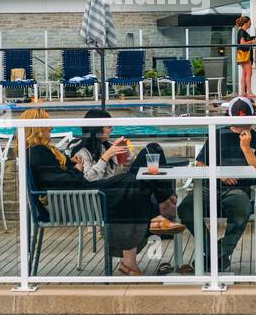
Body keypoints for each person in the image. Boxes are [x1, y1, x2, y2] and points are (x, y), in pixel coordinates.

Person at [21, 109, 176, 276]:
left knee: (145, 161)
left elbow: (62, 176)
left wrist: (118, 158)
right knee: (132, 183)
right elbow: (65, 180)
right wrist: (83, 167)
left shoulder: (44, 151)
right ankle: (160, 211)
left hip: (84, 195)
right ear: (36, 127)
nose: (51, 127)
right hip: (80, 200)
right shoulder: (38, 152)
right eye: (46, 124)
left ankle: (160, 209)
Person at [68, 109, 182, 262]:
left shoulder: (107, 145)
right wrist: (106, 157)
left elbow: (119, 174)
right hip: (104, 196)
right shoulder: (81, 151)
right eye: (108, 126)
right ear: (97, 128)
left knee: (153, 149)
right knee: (137, 181)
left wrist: (126, 160)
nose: (112, 129)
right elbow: (88, 180)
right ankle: (165, 205)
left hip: (121, 188)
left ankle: (164, 201)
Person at [177, 97, 256, 274]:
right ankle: (216, 253)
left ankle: (215, 256)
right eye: (237, 121)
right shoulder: (218, 134)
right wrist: (220, 175)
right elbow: (200, 165)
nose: (242, 126)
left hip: (238, 191)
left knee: (241, 208)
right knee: (185, 208)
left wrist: (246, 149)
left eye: (246, 121)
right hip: (209, 187)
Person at [234, 16, 256, 97]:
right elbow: (242, 43)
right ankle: (249, 92)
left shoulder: (241, 31)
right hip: (245, 55)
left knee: (244, 73)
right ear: (246, 23)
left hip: (243, 55)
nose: (250, 24)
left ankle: (243, 92)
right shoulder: (242, 31)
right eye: (250, 22)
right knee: (249, 73)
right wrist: (252, 41)